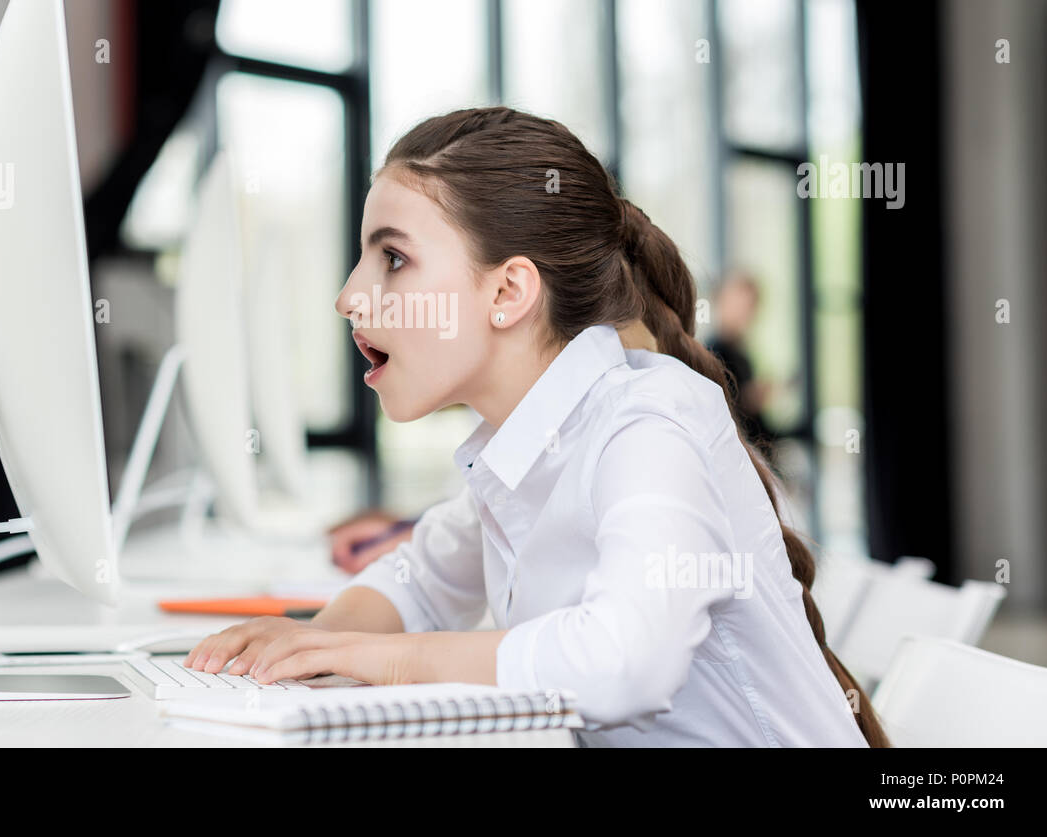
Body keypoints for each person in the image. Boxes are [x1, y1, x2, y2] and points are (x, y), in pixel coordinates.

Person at [185, 106, 888, 746]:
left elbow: (624, 662)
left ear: (509, 291)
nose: (348, 296)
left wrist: (381, 660)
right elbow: (423, 578)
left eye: (392, 258)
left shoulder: (646, 424)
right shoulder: (520, 442)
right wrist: (306, 647)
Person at [704, 270, 774, 464]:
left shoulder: (742, 355)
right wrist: (749, 399)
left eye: (750, 306)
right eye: (739, 305)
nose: (745, 313)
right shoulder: (712, 353)